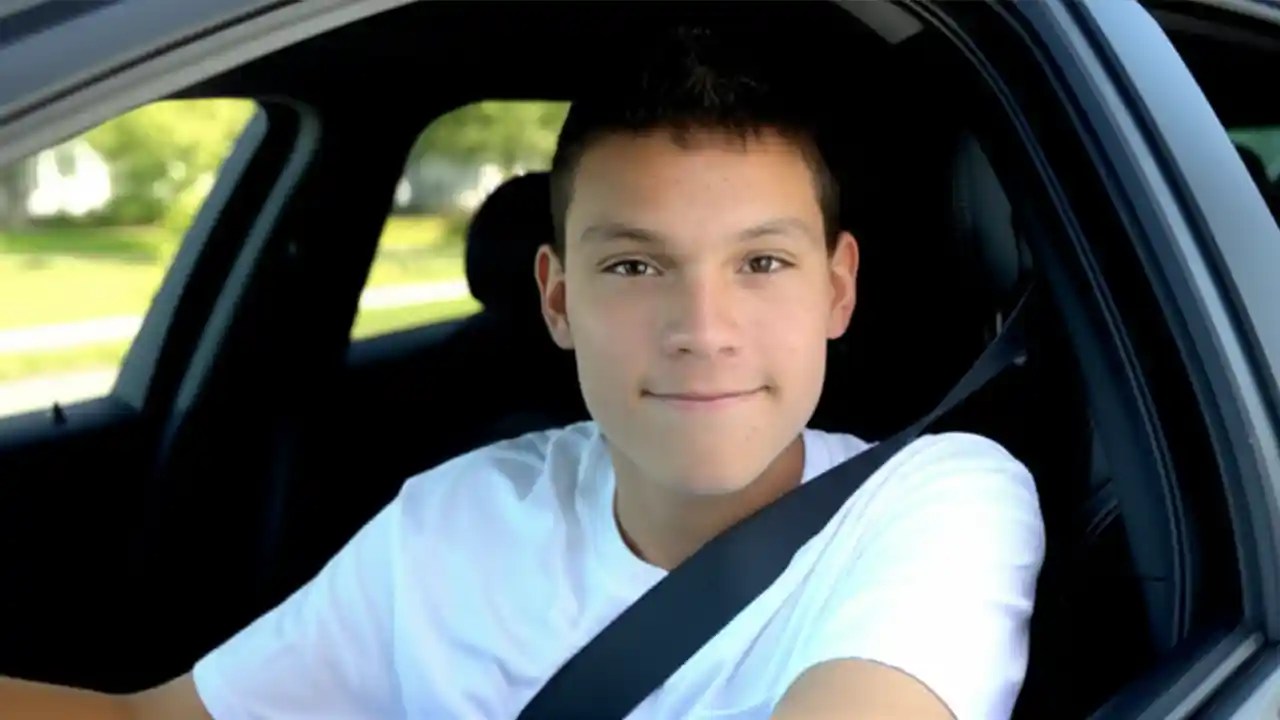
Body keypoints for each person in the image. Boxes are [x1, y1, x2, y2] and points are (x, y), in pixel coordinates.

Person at [1, 25, 1045, 720]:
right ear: (555, 297)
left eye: (760, 263)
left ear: (836, 289)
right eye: (634, 265)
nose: (701, 327)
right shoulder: (455, 518)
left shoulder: (937, 499)